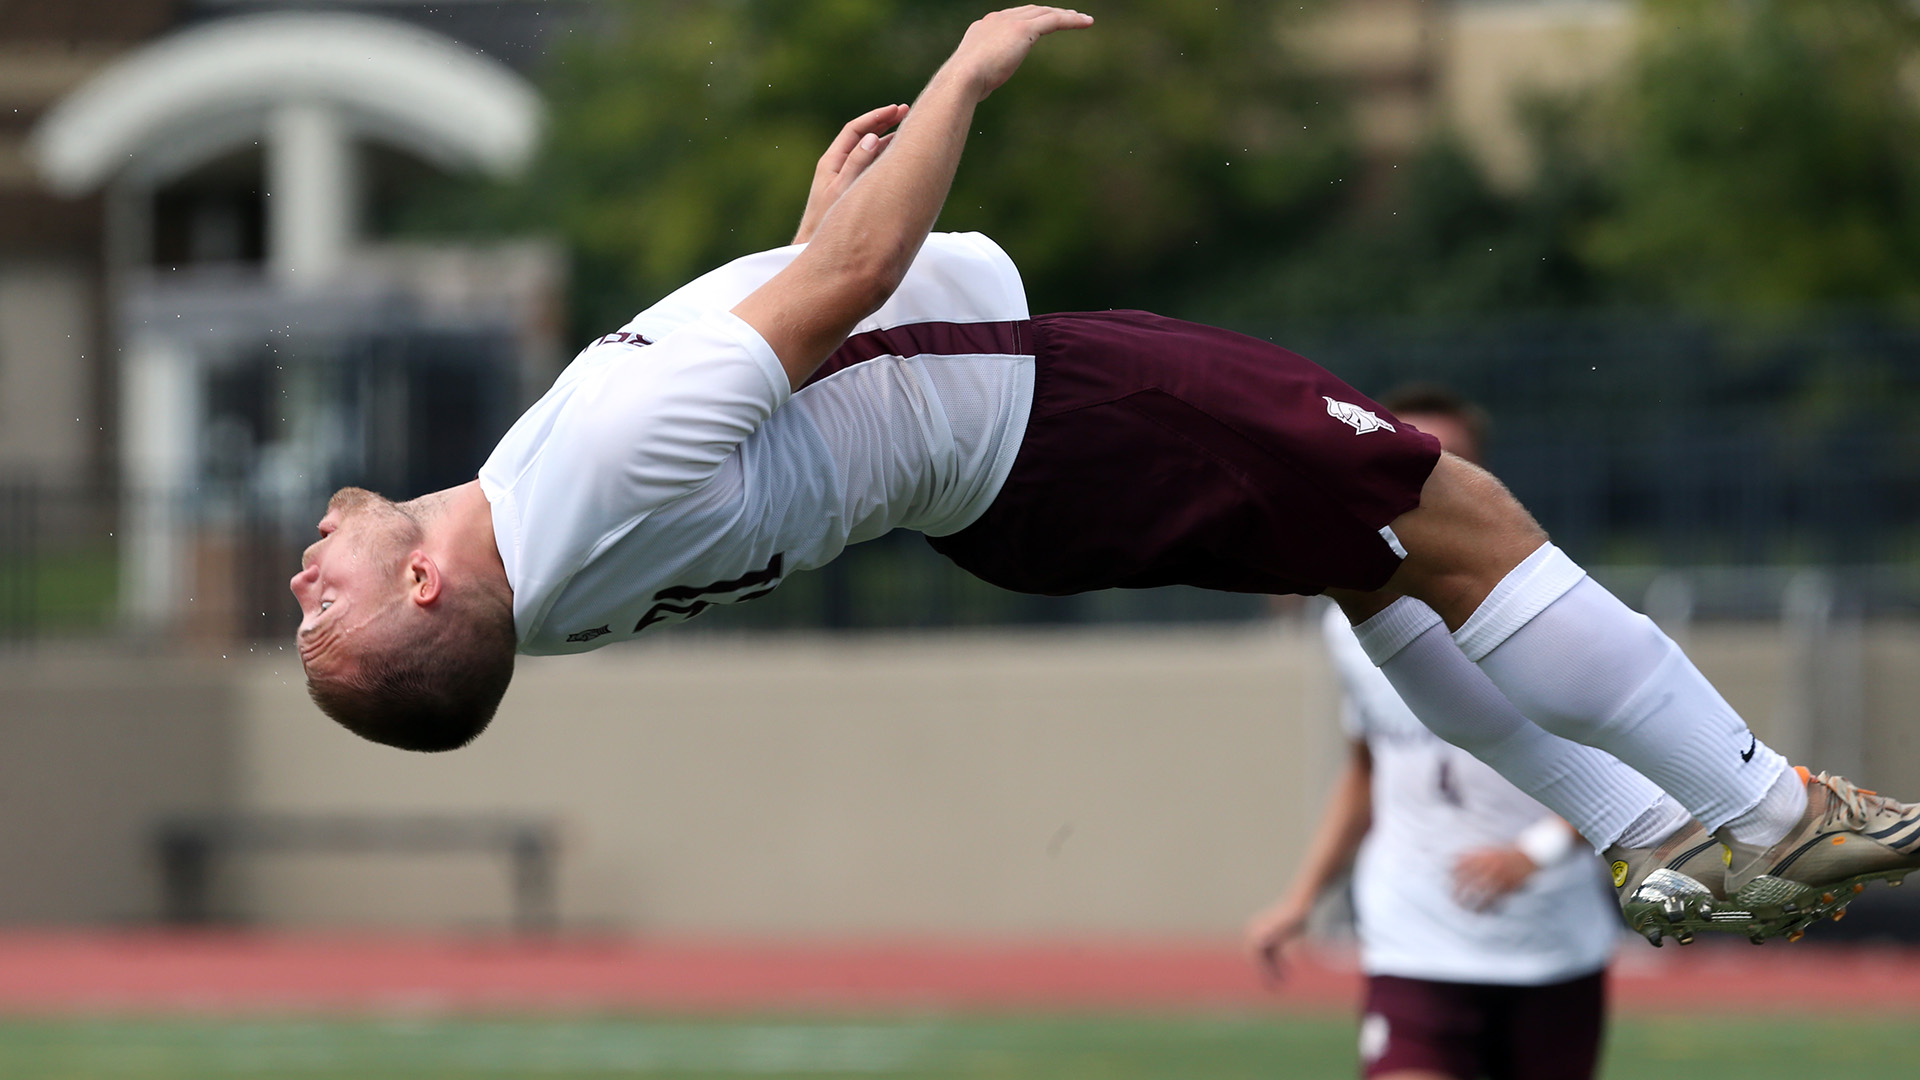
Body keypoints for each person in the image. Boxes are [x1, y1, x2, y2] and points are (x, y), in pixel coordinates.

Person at [289, 6, 1920, 943]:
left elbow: (783, 363)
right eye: (328, 611)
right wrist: (968, 75)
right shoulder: (570, 494)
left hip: (1020, 483)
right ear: (429, 588)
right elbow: (846, 302)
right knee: (1458, 518)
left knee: (1385, 566)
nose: (305, 573)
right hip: (1063, 418)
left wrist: (801, 246)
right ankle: (1764, 809)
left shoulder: (528, 565)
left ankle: (1647, 834)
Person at [1246, 387, 1614, 1080]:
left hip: (1551, 941)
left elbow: (1629, 761)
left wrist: (1533, 853)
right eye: (1408, 461)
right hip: (1412, 936)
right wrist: (1301, 898)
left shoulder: (1552, 615)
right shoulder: (1350, 624)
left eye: (1452, 463)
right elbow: (1367, 769)